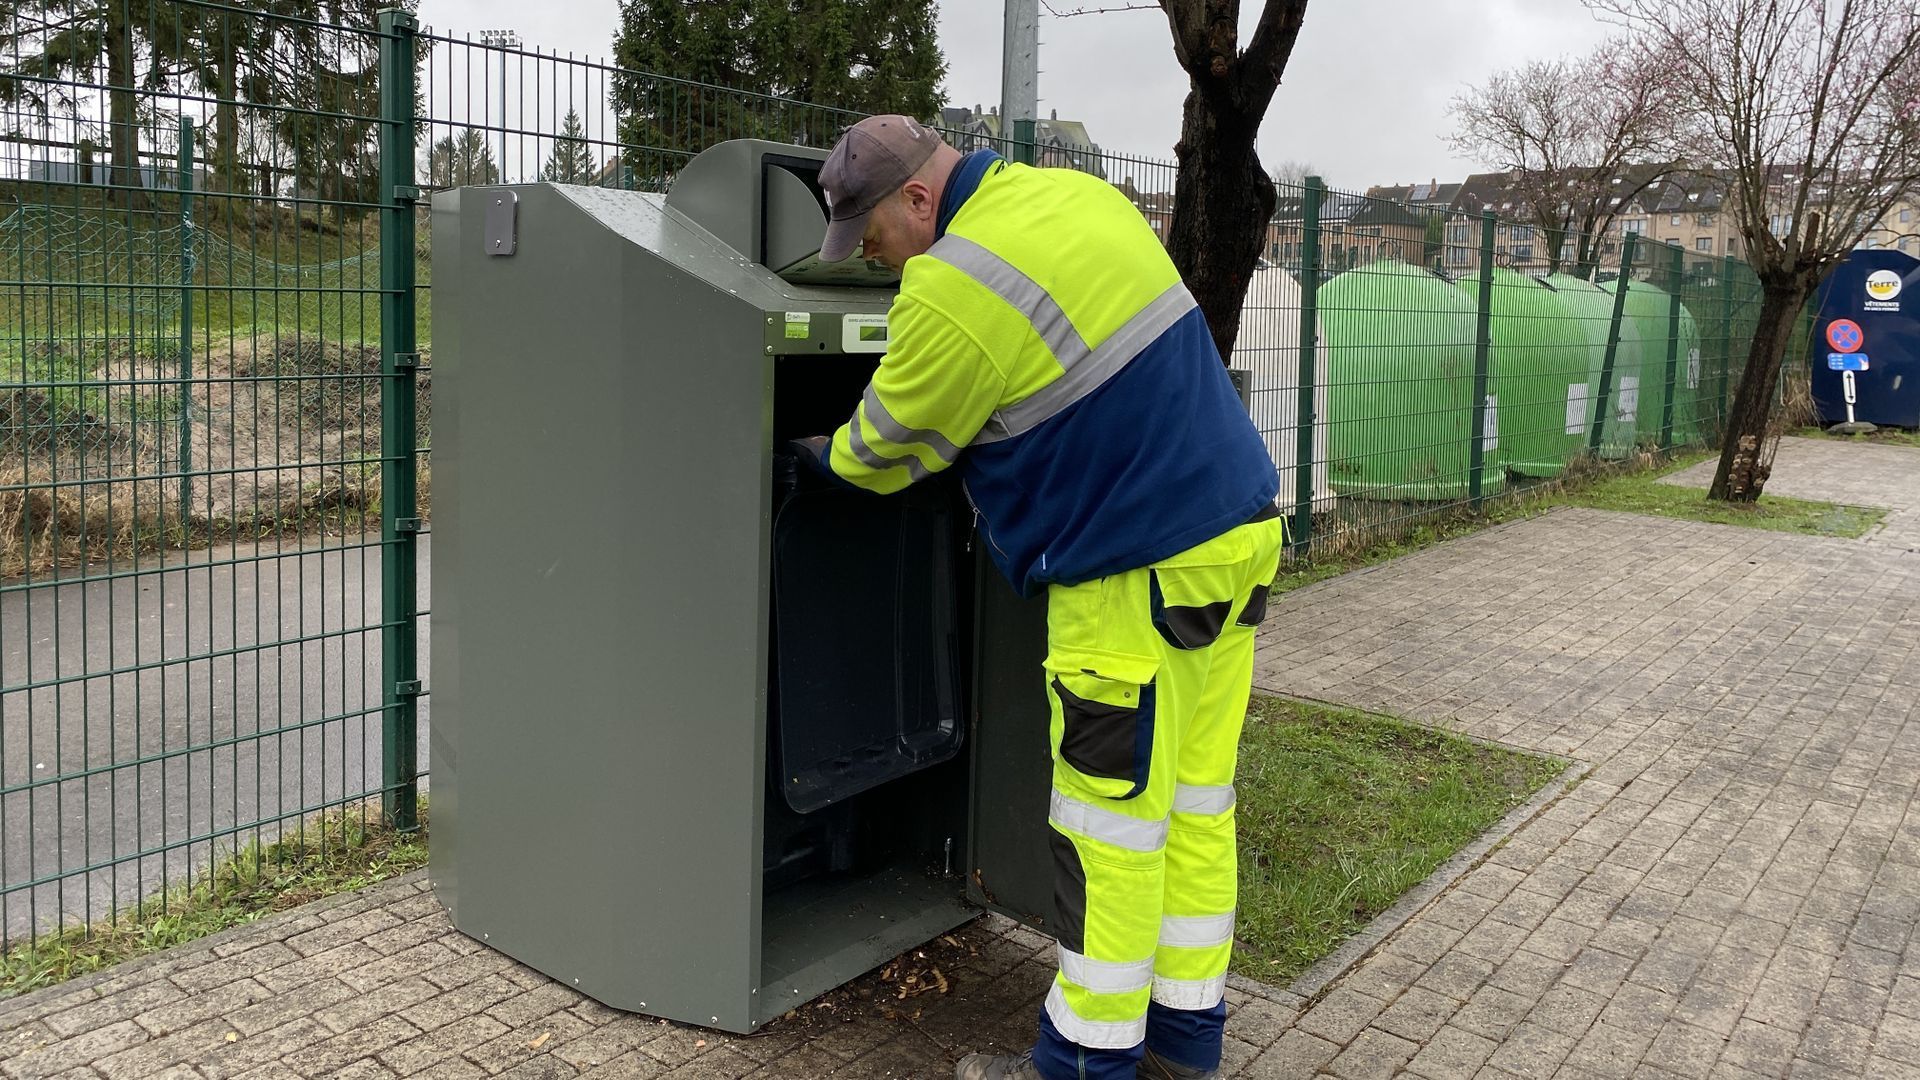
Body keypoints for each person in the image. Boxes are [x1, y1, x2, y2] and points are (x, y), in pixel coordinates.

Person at [792, 115, 1283, 1080]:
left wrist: (814, 461)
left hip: (1130, 572)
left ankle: (1081, 1062)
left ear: (920, 199)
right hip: (1235, 538)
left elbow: (892, 447)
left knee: (1108, 829)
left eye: (879, 239)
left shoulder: (957, 281)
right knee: (1191, 807)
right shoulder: (1077, 197)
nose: (881, 264)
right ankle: (1186, 1040)